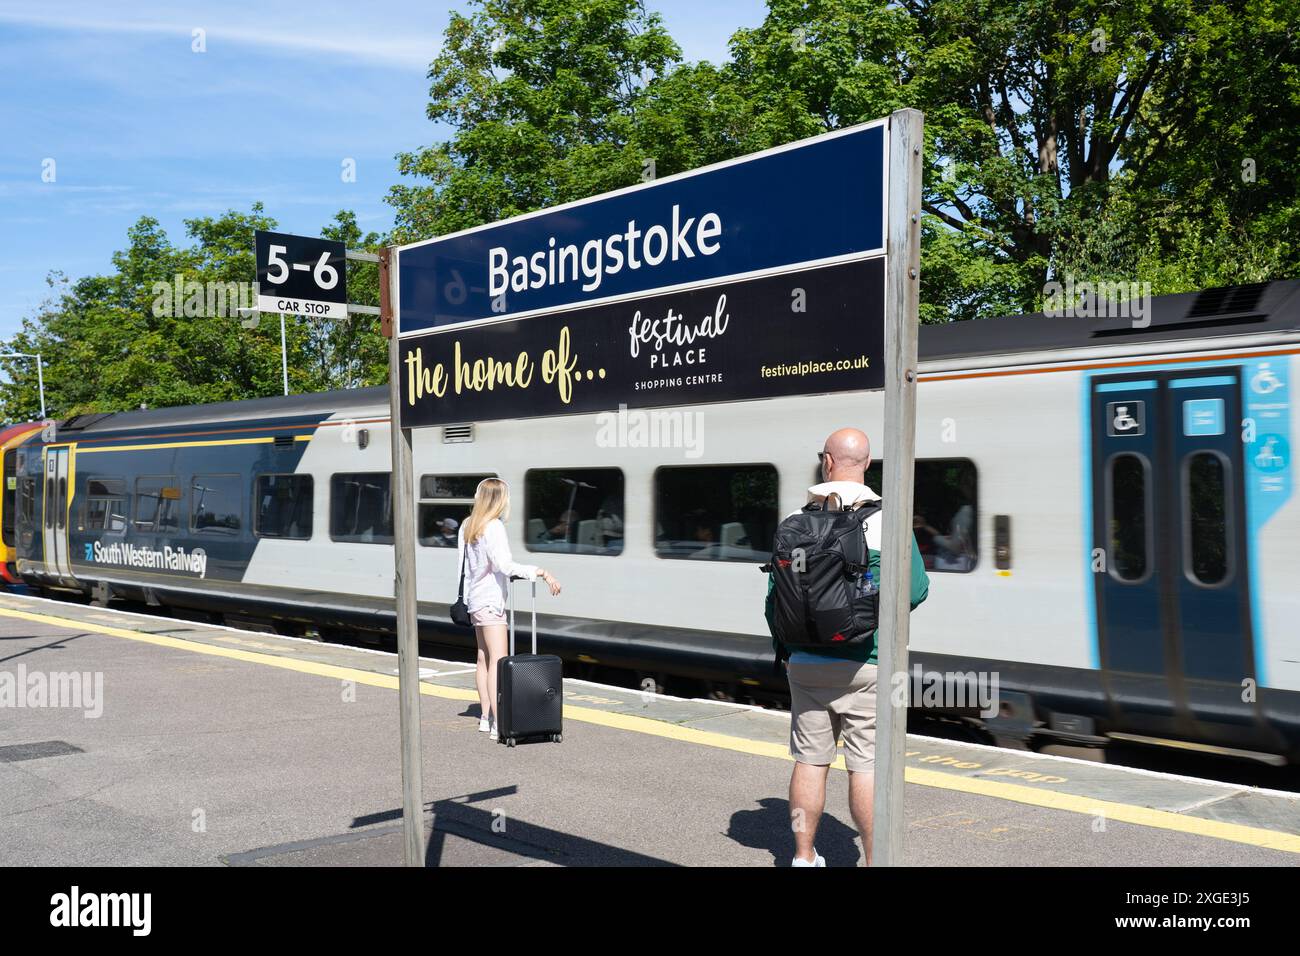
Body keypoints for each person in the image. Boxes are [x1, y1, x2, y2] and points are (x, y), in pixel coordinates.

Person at [766, 427, 930, 866]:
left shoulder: (795, 522)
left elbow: (774, 599)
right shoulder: (887, 520)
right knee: (867, 767)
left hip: (804, 662)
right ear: (868, 465)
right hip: (866, 663)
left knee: (809, 761)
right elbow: (914, 590)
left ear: (827, 461)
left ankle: (803, 858)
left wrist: (791, 648)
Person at [457, 478, 562, 740]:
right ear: (500, 499)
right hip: (491, 602)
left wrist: (467, 600)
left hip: (475, 601)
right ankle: (498, 723)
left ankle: (484, 717)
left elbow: (464, 569)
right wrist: (538, 572)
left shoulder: (468, 525)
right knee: (499, 661)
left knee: (482, 659)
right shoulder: (493, 526)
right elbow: (505, 566)